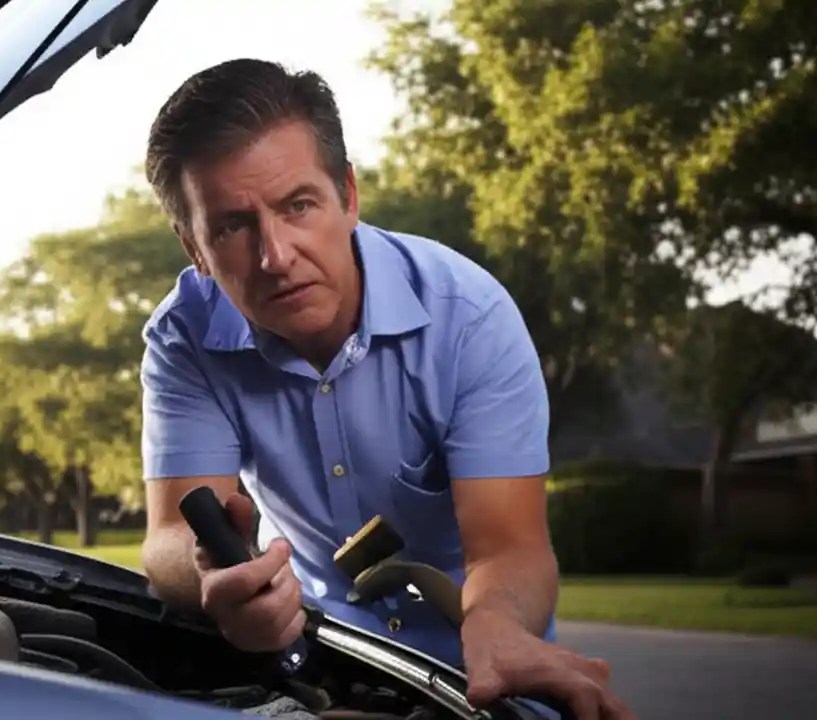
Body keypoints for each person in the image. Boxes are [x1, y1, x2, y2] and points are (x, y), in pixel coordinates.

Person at [136, 58, 631, 720]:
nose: (275, 255)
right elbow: (169, 534)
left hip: (481, 670)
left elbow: (511, 546)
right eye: (231, 225)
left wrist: (498, 628)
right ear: (192, 246)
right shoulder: (182, 338)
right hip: (319, 668)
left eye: (299, 205)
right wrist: (211, 579)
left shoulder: (470, 318)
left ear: (348, 194)